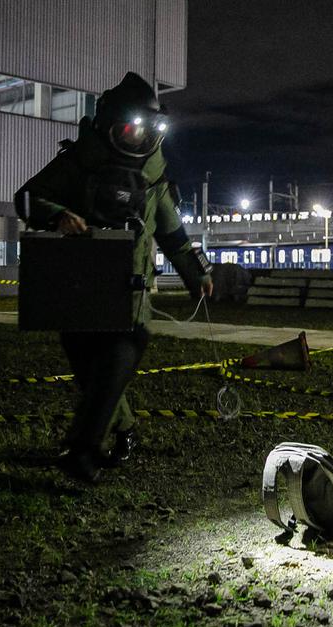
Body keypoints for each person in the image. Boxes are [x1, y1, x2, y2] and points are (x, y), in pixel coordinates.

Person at [14, 72, 212, 484]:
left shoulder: (153, 177)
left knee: (117, 360)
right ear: (109, 125)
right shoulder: (78, 164)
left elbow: (172, 233)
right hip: (78, 291)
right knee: (94, 377)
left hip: (130, 298)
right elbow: (28, 197)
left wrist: (197, 275)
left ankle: (83, 451)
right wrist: (57, 215)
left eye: (146, 129)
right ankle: (123, 430)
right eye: (130, 128)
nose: (138, 137)